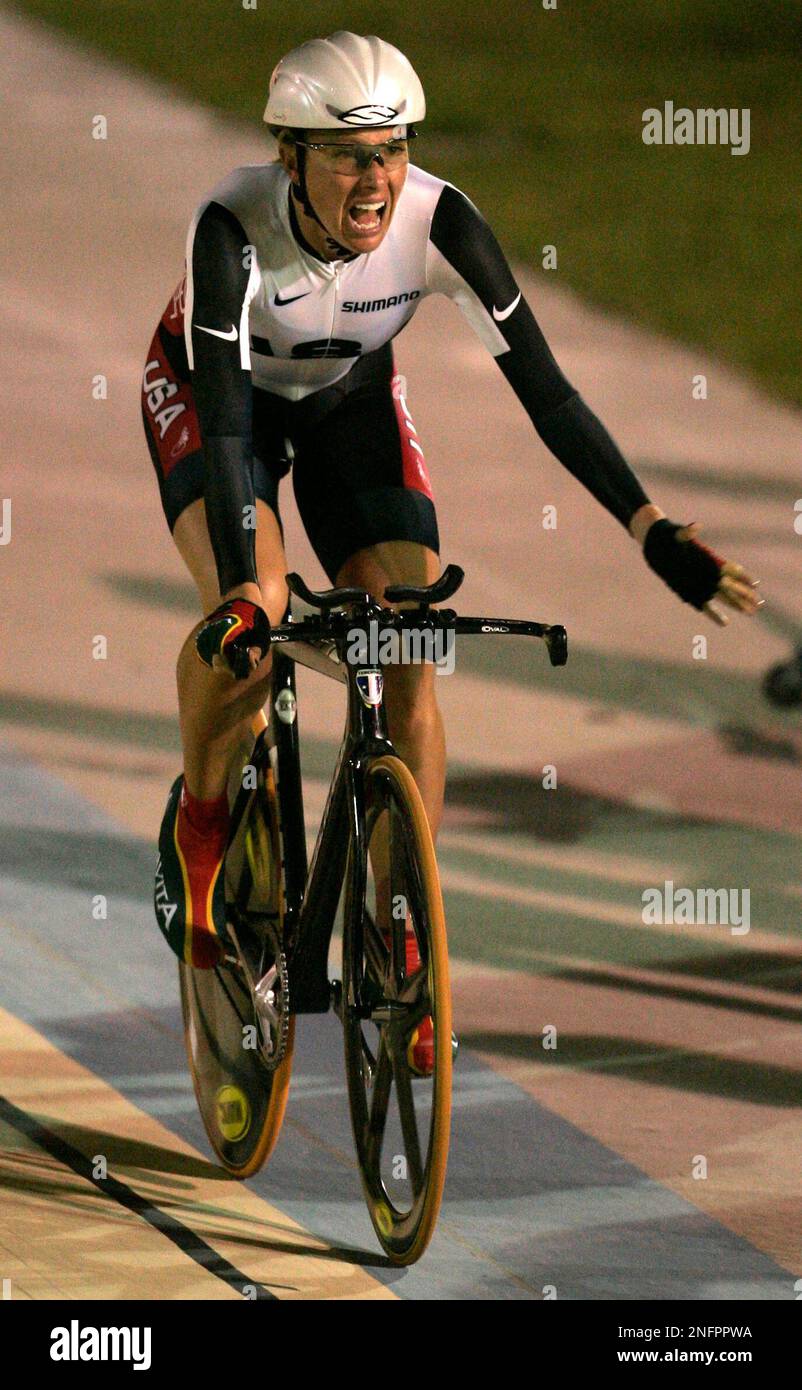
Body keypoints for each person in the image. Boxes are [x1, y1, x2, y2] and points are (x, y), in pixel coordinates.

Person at [142, 31, 760, 1073]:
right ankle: (204, 824)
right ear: (290, 157)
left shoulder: (440, 221)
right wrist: (252, 584)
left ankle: (401, 928)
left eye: (390, 149)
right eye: (346, 155)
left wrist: (648, 526)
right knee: (252, 623)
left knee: (413, 634)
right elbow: (233, 429)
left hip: (349, 402)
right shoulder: (230, 228)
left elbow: (548, 393)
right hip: (219, 405)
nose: (374, 176)